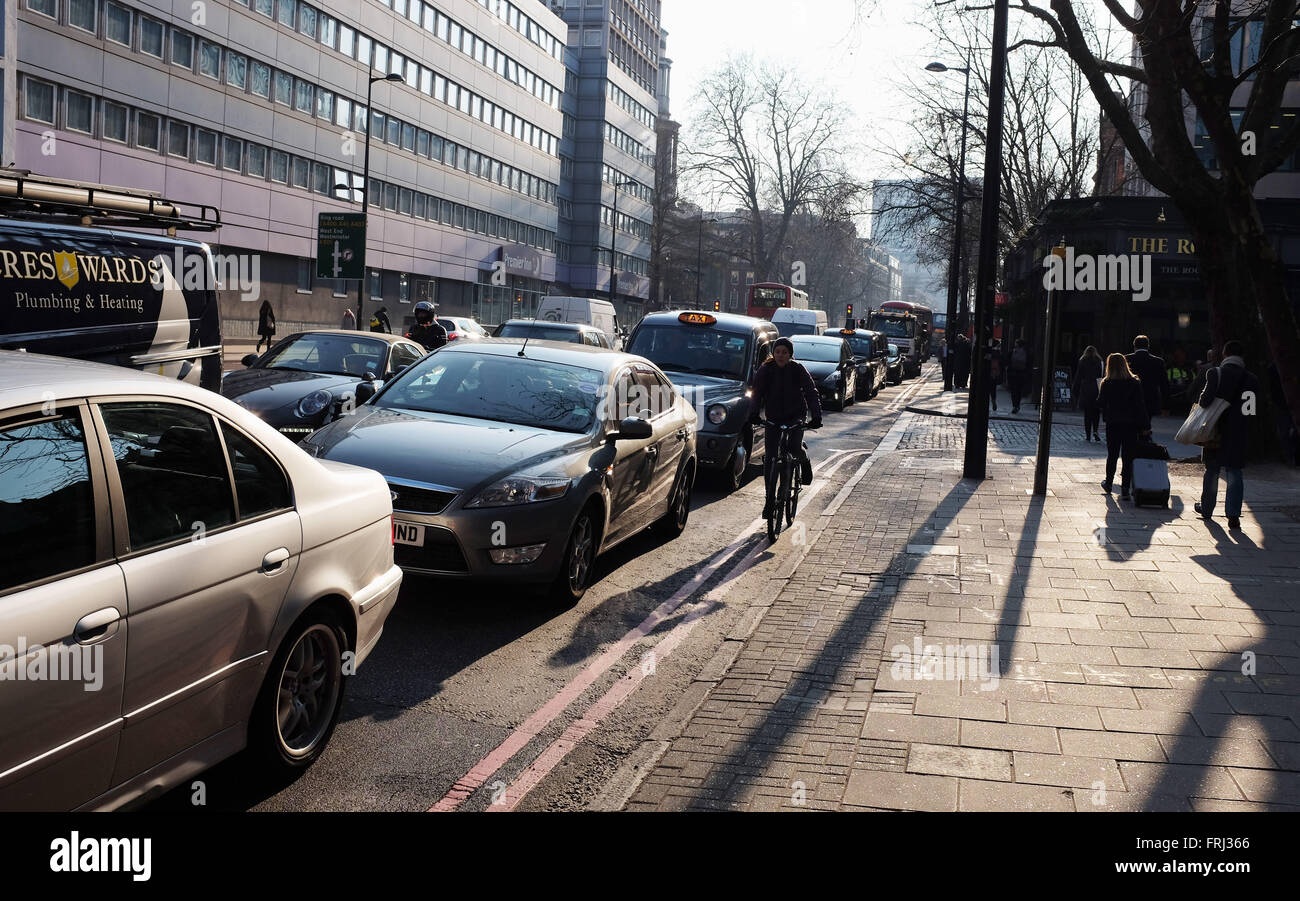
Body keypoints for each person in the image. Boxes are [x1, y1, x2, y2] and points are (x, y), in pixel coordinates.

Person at [748, 337, 823, 520]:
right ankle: (769, 500)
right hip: (774, 417)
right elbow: (756, 393)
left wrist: (816, 416)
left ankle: (803, 460)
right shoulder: (766, 370)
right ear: (774, 353)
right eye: (778, 352)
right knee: (771, 459)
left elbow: (811, 392)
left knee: (794, 447)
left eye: (785, 352)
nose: (781, 355)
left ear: (790, 354)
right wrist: (754, 414)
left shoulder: (797, 369)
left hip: (796, 415)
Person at [1195, 341, 1259, 530]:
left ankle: (1207, 509)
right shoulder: (1251, 379)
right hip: (1238, 432)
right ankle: (1233, 514)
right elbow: (1251, 410)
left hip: (1215, 430)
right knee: (1235, 471)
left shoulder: (1215, 373)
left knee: (1212, 471)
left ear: (1225, 354)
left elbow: (1205, 401)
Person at [1097, 352, 1151, 500]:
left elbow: (1100, 403)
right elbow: (1140, 405)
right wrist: (1146, 425)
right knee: (1128, 456)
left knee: (1112, 455)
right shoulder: (1134, 382)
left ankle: (1108, 483)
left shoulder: (1107, 382)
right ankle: (1126, 488)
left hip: (1113, 423)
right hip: (1130, 424)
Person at [1126, 335, 1169, 420]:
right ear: (1148, 346)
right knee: (1146, 424)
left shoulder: (1126, 359)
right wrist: (1166, 405)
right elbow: (1164, 385)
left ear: (1134, 345)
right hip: (1150, 399)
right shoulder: (1158, 362)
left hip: (1130, 399)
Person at [1073, 346, 1105, 441]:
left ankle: (1088, 435)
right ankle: (1095, 430)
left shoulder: (1082, 361)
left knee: (1087, 413)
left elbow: (1078, 376)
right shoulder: (1100, 361)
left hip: (1086, 388)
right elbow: (1102, 375)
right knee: (1096, 411)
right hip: (1096, 388)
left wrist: (1075, 389)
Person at [1006, 338, 1031, 414]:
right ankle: (1017, 405)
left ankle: (1014, 405)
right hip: (1022, 374)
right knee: (1019, 391)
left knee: (1013, 391)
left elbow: (1007, 361)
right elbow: (1028, 363)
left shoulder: (1012, 351)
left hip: (1013, 374)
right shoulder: (1026, 352)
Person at [985, 338, 1002, 411]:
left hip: (988, 371)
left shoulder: (989, 351)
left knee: (986, 388)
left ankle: (986, 402)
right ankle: (993, 400)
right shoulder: (998, 352)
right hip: (995, 372)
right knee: (993, 389)